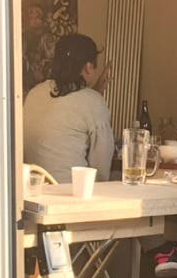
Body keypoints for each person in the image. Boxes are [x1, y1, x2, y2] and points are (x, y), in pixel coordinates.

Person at [23, 33, 114, 184]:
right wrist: (96, 98)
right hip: (71, 195)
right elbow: (101, 172)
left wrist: (94, 94)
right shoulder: (92, 102)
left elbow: (65, 113)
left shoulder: (33, 93)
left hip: (33, 191)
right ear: (89, 67)